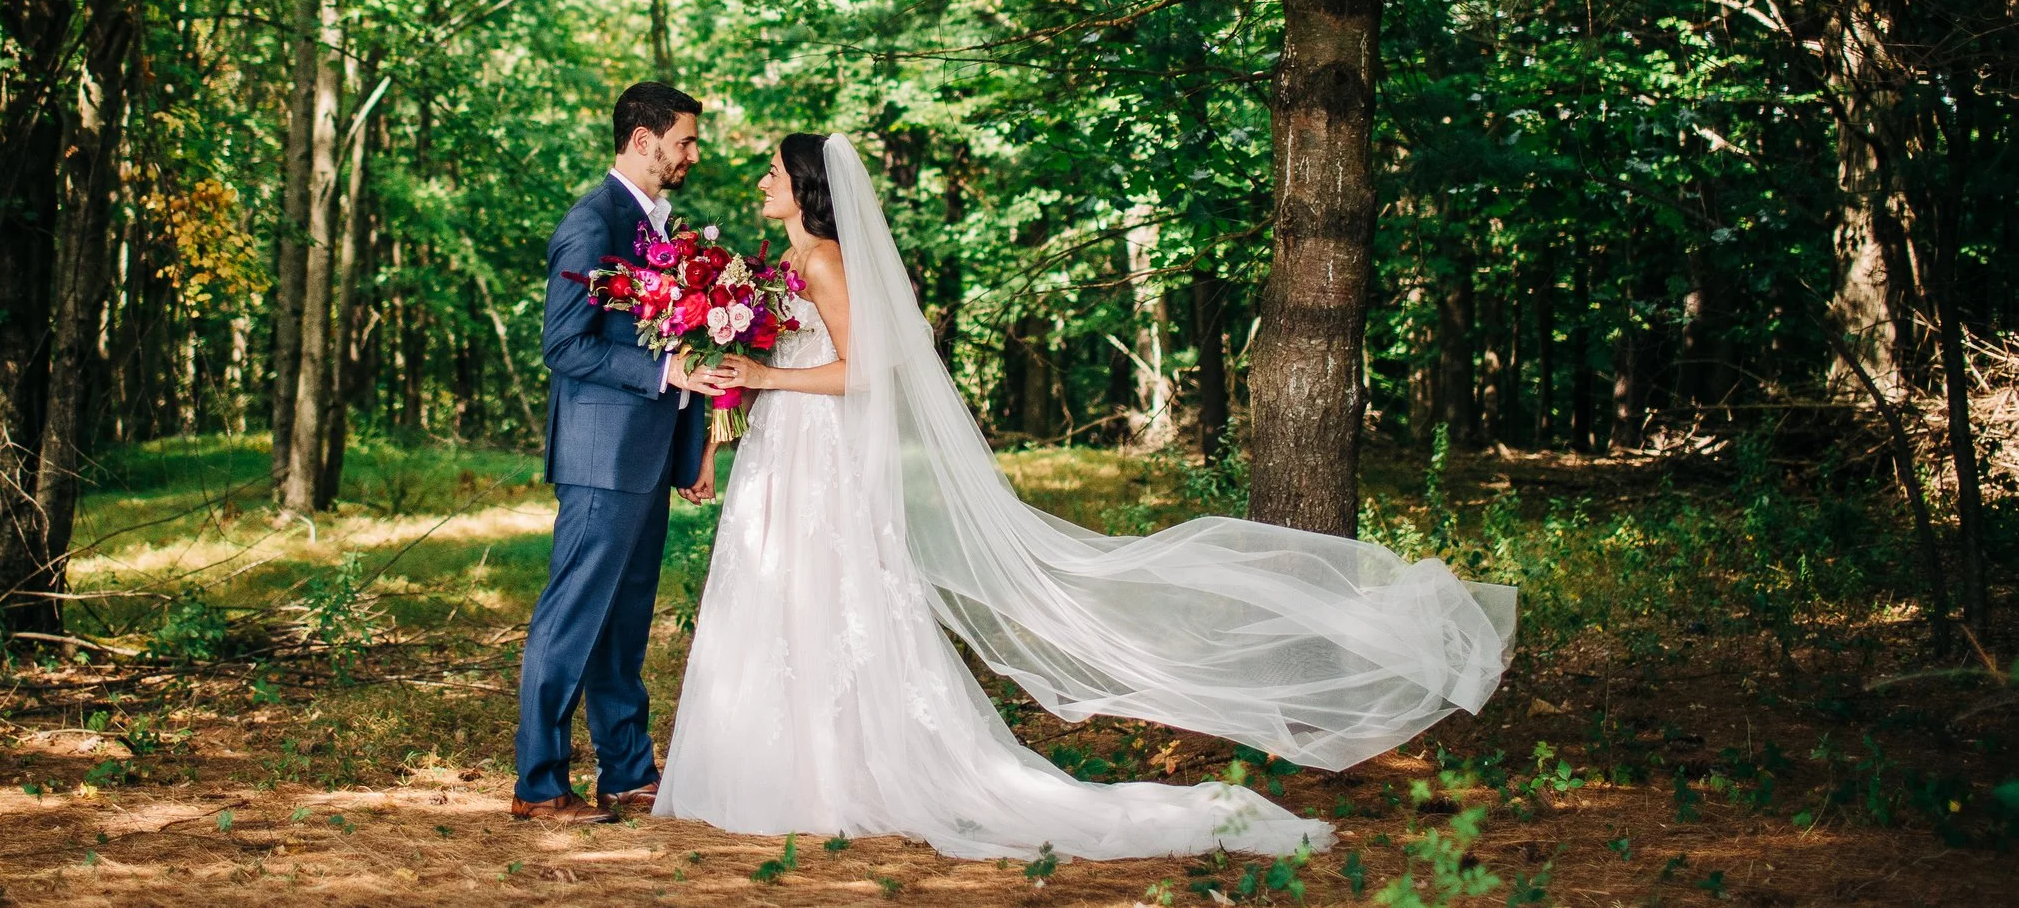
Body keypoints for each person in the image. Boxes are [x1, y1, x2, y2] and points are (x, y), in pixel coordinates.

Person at [655, 133, 1516, 860]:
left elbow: (867, 368)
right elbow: (803, 363)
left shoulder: (829, 261)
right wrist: (741, 382)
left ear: (805, 186)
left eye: (772, 170)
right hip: (791, 449)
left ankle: (834, 773)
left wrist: (766, 370)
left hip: (822, 456)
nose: (761, 180)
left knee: (831, 600)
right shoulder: (790, 263)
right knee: (791, 604)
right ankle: (787, 765)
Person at [511, 81, 731, 824]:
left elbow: (688, 336)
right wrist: (663, 372)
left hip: (649, 454)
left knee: (624, 620)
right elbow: (563, 345)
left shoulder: (662, 230)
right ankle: (538, 783)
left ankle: (627, 770)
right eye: (685, 141)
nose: (693, 153)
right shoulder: (591, 222)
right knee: (573, 615)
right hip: (601, 456)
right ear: (644, 140)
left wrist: (695, 441)